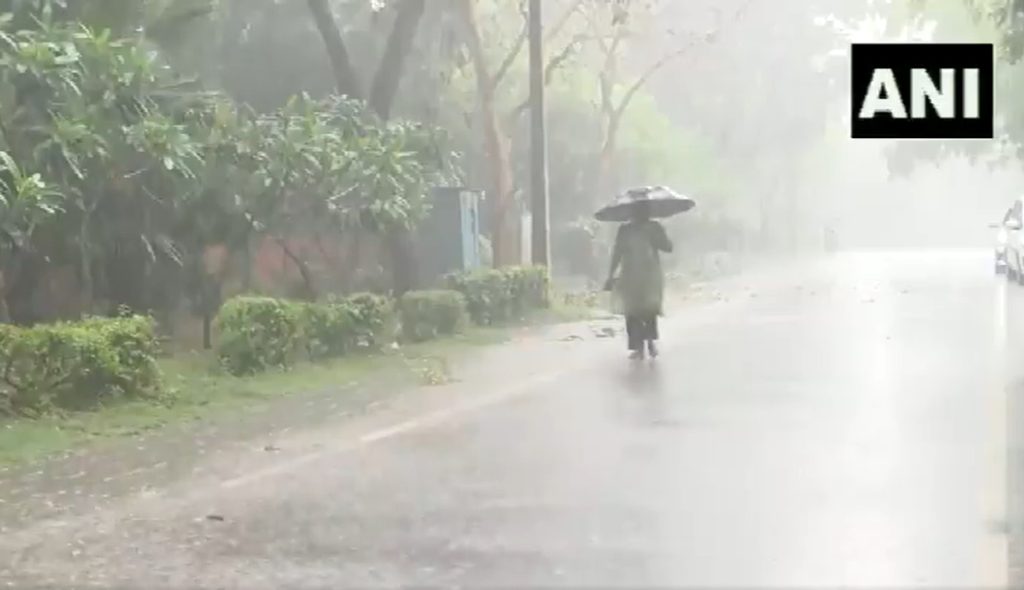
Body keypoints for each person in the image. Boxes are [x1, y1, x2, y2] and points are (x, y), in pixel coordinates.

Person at [604, 200, 673, 360]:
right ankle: (643, 344)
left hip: (640, 274)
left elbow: (668, 247)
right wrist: (610, 274)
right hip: (638, 274)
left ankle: (644, 344)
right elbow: (617, 252)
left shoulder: (634, 229)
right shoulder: (635, 229)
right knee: (638, 309)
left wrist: (611, 274)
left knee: (641, 309)